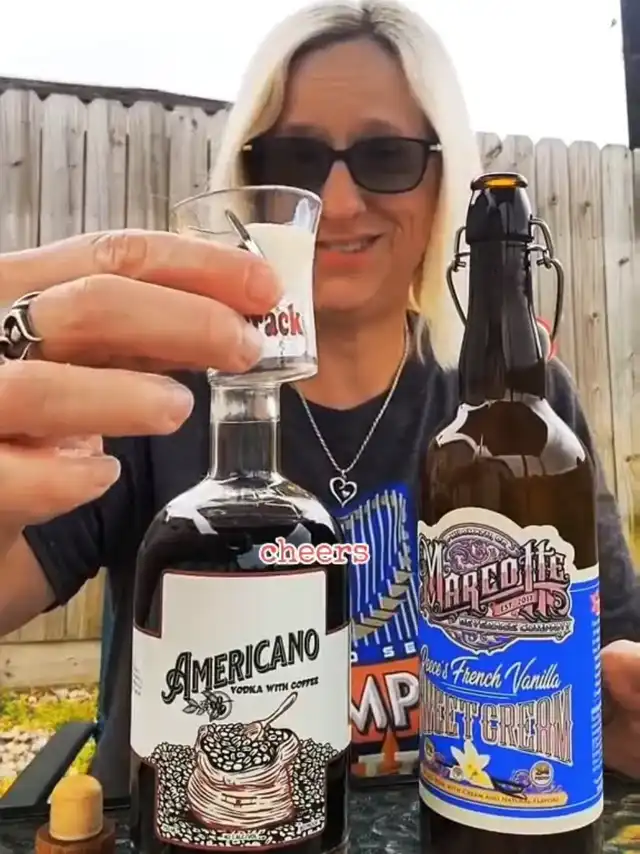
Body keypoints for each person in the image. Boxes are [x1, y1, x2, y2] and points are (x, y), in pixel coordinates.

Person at [0, 0, 638, 798]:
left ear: (446, 183)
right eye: (295, 157)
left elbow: (609, 654)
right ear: (243, 183)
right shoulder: (155, 389)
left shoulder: (515, 408)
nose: (335, 204)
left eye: (386, 155)